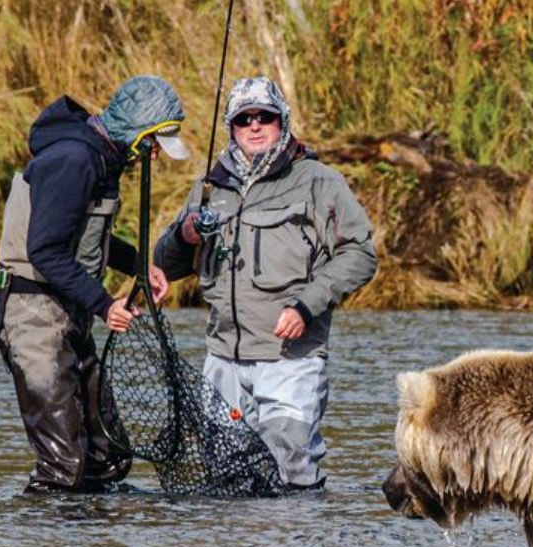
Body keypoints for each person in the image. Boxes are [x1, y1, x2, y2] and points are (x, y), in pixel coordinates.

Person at [154, 76, 377, 491]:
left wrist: (305, 306)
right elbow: (165, 264)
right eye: (244, 119)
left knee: (289, 472)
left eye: (265, 117)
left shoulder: (317, 181)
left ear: (283, 121)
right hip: (222, 361)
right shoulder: (209, 187)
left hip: (290, 359)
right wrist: (184, 235)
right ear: (231, 127)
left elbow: (360, 254)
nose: (255, 126)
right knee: (228, 481)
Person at [0, 75, 189, 494]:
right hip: (33, 313)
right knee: (65, 467)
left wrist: (138, 265)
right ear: (137, 132)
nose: (151, 154)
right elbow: (44, 250)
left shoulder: (101, 159)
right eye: (152, 144)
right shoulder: (74, 160)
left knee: (109, 455)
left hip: (69, 309)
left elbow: (80, 236)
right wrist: (104, 304)